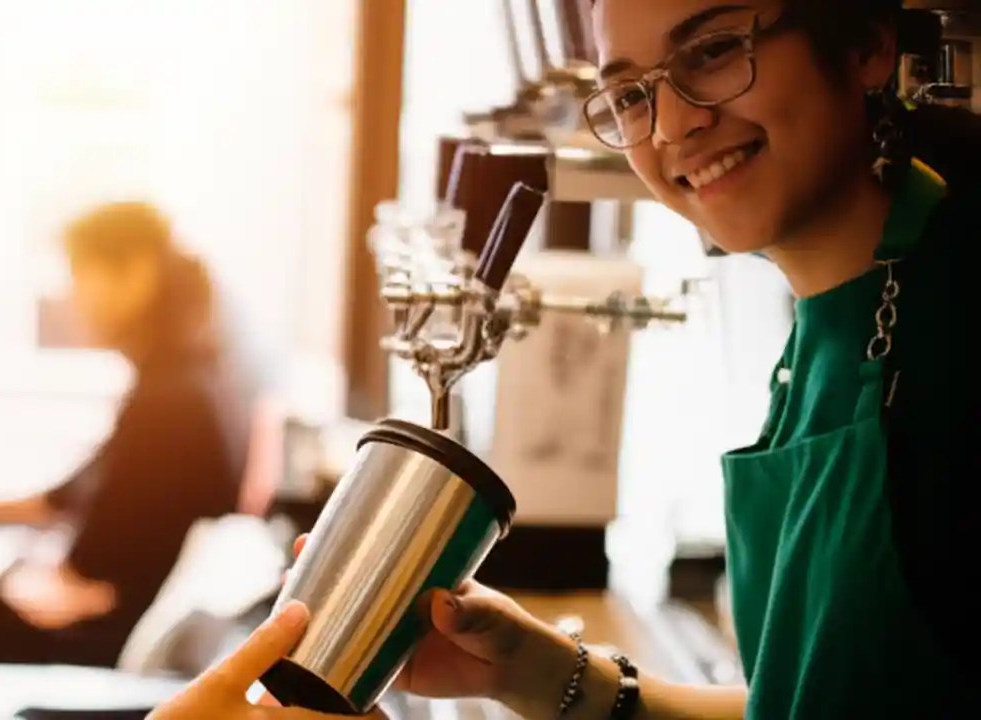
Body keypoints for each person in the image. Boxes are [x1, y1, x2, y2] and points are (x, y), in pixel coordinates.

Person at [149, 1, 975, 718]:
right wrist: (537, 671)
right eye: (629, 94)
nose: (671, 124)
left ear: (865, 44)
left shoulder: (950, 322)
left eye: (714, 51)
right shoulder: (827, 332)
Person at [0, 202, 250, 717]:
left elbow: (93, 575)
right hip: (95, 629)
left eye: (79, 276)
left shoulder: (170, 403)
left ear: (136, 274)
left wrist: (39, 582)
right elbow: (60, 500)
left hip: (98, 652)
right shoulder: (177, 385)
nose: (69, 298)